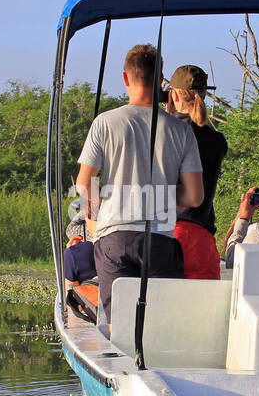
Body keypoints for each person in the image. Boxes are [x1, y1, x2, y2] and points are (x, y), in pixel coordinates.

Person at [76, 43, 204, 322]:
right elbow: (195, 197)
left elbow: (84, 186)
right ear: (161, 81)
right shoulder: (181, 131)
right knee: (162, 325)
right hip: (160, 240)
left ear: (125, 78)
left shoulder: (105, 122)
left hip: (115, 239)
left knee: (119, 324)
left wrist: (100, 208)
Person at [165, 65, 227, 279]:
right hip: (202, 242)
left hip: (167, 236)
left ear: (173, 94)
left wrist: (166, 115)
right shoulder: (218, 141)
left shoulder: (164, 134)